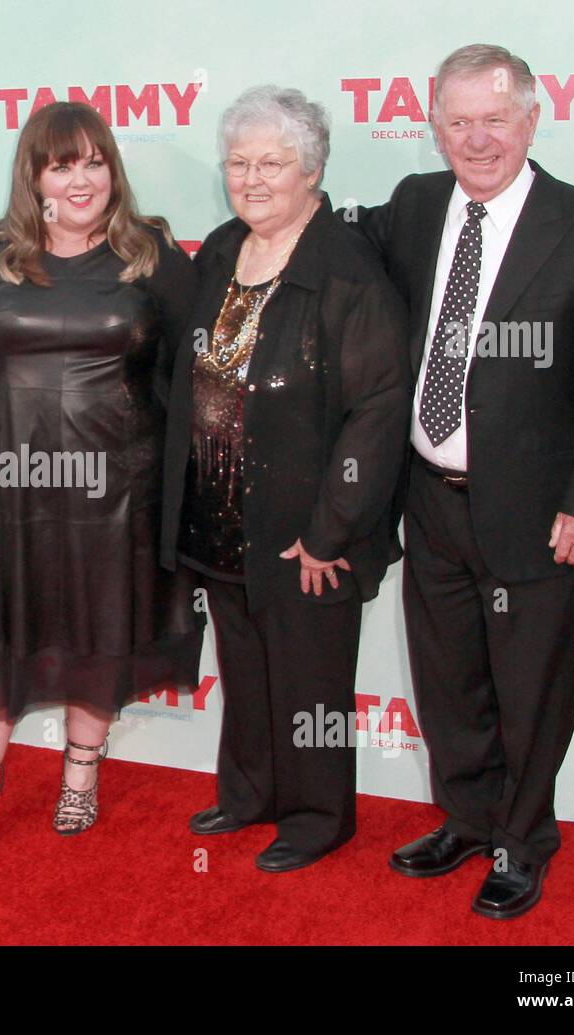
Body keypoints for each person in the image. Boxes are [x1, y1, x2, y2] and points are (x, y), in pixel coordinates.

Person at [353, 44, 574, 918]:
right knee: (449, 683)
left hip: (539, 509)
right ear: (433, 126)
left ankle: (524, 838)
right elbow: (313, 229)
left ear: (530, 119)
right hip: (430, 494)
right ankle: (471, 817)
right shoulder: (412, 206)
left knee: (532, 688)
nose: (477, 139)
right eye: (458, 122)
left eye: (494, 119)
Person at [0, 101, 204, 860]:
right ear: (34, 175)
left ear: (113, 169)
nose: (81, 180)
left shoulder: (153, 258)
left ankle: (82, 776)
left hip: (116, 499)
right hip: (0, 490)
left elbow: (199, 372)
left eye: (94, 162)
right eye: (61, 164)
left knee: (96, 635)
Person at [159, 85, 410, 873]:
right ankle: (251, 789)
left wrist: (331, 528)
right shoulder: (224, 248)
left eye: (273, 162)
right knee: (245, 663)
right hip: (223, 516)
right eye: (239, 162)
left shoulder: (347, 269)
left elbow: (376, 411)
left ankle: (319, 814)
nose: (252, 177)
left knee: (312, 681)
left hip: (309, 527)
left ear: (313, 170)